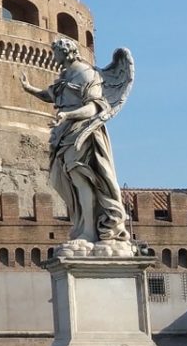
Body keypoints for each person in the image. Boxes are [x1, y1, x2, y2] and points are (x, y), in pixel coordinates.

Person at [20, 38, 133, 249]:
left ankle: (89, 231)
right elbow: (53, 94)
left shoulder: (87, 73)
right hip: (66, 134)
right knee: (67, 181)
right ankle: (83, 227)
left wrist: (67, 115)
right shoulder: (66, 75)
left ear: (67, 52)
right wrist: (30, 89)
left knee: (83, 181)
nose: (53, 56)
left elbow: (94, 108)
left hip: (83, 133)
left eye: (56, 52)